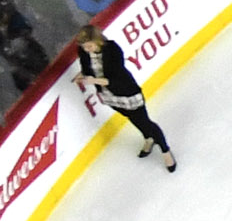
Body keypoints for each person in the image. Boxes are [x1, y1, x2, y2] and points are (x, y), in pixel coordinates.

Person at [74, 25, 174, 171]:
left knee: (145, 122)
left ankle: (166, 151)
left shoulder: (112, 50)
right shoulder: (83, 52)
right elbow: (87, 68)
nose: (86, 49)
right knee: (132, 118)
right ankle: (148, 139)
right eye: (84, 47)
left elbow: (116, 78)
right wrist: (83, 75)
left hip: (126, 91)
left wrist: (93, 81)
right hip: (109, 95)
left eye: (89, 46)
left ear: (98, 41)